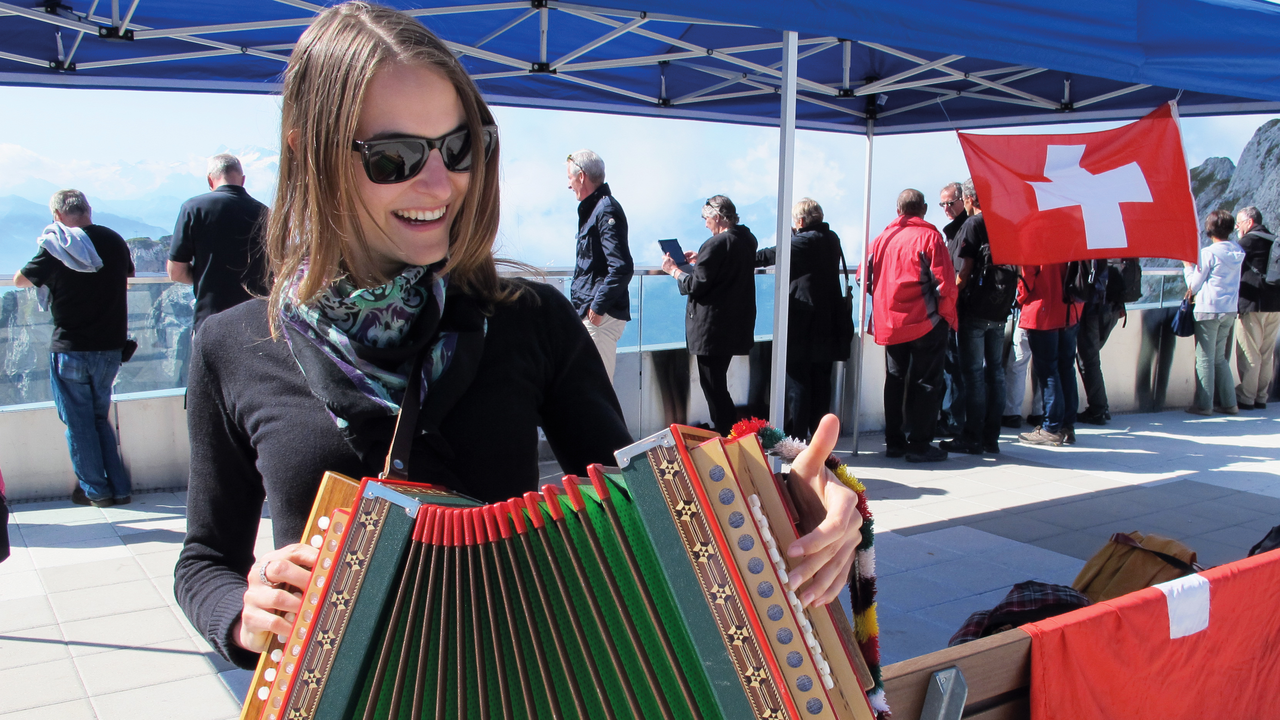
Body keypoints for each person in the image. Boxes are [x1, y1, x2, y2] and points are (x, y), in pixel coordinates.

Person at [175, 4, 862, 670]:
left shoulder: (527, 315)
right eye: (393, 157)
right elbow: (204, 561)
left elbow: (647, 503)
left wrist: (789, 498)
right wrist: (241, 610)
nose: (441, 183)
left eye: (458, 146)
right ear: (307, 149)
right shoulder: (231, 346)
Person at [14, 190, 134, 507]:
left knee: (78, 423)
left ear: (57, 216)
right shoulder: (114, 240)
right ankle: (119, 487)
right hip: (110, 347)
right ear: (89, 210)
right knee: (98, 417)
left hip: (70, 347)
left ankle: (95, 490)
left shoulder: (57, 246)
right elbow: (127, 276)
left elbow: (20, 280)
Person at [867, 189, 957, 462]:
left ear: (898, 211)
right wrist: (945, 316)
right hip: (925, 322)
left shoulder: (882, 239)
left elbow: (864, 278)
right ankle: (919, 444)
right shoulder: (929, 237)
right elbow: (944, 283)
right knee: (927, 383)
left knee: (894, 381)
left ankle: (894, 442)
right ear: (925, 209)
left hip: (892, 324)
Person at [662, 195, 758, 436]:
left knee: (713, 386)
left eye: (706, 218)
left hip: (712, 329)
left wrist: (674, 271)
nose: (705, 224)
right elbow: (720, 272)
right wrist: (702, 261)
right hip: (735, 323)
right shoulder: (745, 239)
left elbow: (695, 285)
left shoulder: (715, 244)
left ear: (716, 217)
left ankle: (726, 434)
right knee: (717, 382)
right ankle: (728, 432)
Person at [754, 198, 846, 439]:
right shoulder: (832, 238)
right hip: (829, 321)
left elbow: (771, 255)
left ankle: (796, 437)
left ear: (801, 221)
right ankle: (819, 438)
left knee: (798, 381)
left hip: (804, 321)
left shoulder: (804, 241)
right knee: (821, 381)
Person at [941, 179, 1015, 455]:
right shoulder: (1005, 222)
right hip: (999, 309)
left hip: (974, 310)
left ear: (970, 199)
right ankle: (990, 436)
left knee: (972, 374)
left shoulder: (973, 225)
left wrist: (950, 296)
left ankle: (972, 436)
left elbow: (965, 269)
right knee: (995, 372)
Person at [167, 153, 270, 336]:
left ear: (210, 180)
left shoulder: (193, 208)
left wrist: (204, 276)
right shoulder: (265, 213)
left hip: (210, 319)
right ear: (243, 180)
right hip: (257, 322)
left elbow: (175, 271)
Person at [567, 148, 633, 381]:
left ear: (581, 176)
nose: (569, 185)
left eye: (570, 178)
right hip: (591, 313)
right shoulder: (595, 210)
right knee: (587, 388)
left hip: (600, 318)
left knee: (597, 390)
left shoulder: (605, 210)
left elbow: (622, 266)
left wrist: (596, 308)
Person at [1184, 210, 1245, 416]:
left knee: (1204, 358)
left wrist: (1187, 268)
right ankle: (1229, 403)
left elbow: (1194, 284)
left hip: (1208, 309)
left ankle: (1204, 405)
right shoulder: (1238, 252)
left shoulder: (1208, 253)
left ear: (1210, 229)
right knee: (1219, 358)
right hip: (1229, 309)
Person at [1016, 263, 1083, 446]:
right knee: (1066, 368)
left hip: (1043, 310)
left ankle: (1051, 428)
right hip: (1071, 310)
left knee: (1048, 372)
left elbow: (1026, 278)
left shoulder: (1039, 240)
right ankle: (1067, 426)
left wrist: (1020, 298)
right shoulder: (1074, 237)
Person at [1233, 206, 1279, 410]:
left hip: (1253, 304)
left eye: (1239, 223)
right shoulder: (1274, 239)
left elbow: (1231, 265)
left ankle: (1246, 396)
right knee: (1266, 352)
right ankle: (1261, 395)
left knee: (1249, 350)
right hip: (1275, 305)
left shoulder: (1248, 241)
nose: (1237, 227)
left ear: (1249, 223)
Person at [1075, 259, 1126, 425]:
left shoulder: (1091, 248)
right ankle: (1100, 406)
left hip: (1094, 309)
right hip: (1113, 308)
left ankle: (1098, 409)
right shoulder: (1113, 246)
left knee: (1088, 361)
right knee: (1090, 359)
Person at [937, 182, 968, 437]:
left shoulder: (965, 229)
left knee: (956, 368)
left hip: (959, 308)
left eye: (950, 203)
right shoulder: (954, 231)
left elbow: (960, 270)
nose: (946, 208)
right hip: (957, 307)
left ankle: (954, 420)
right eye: (942, 204)